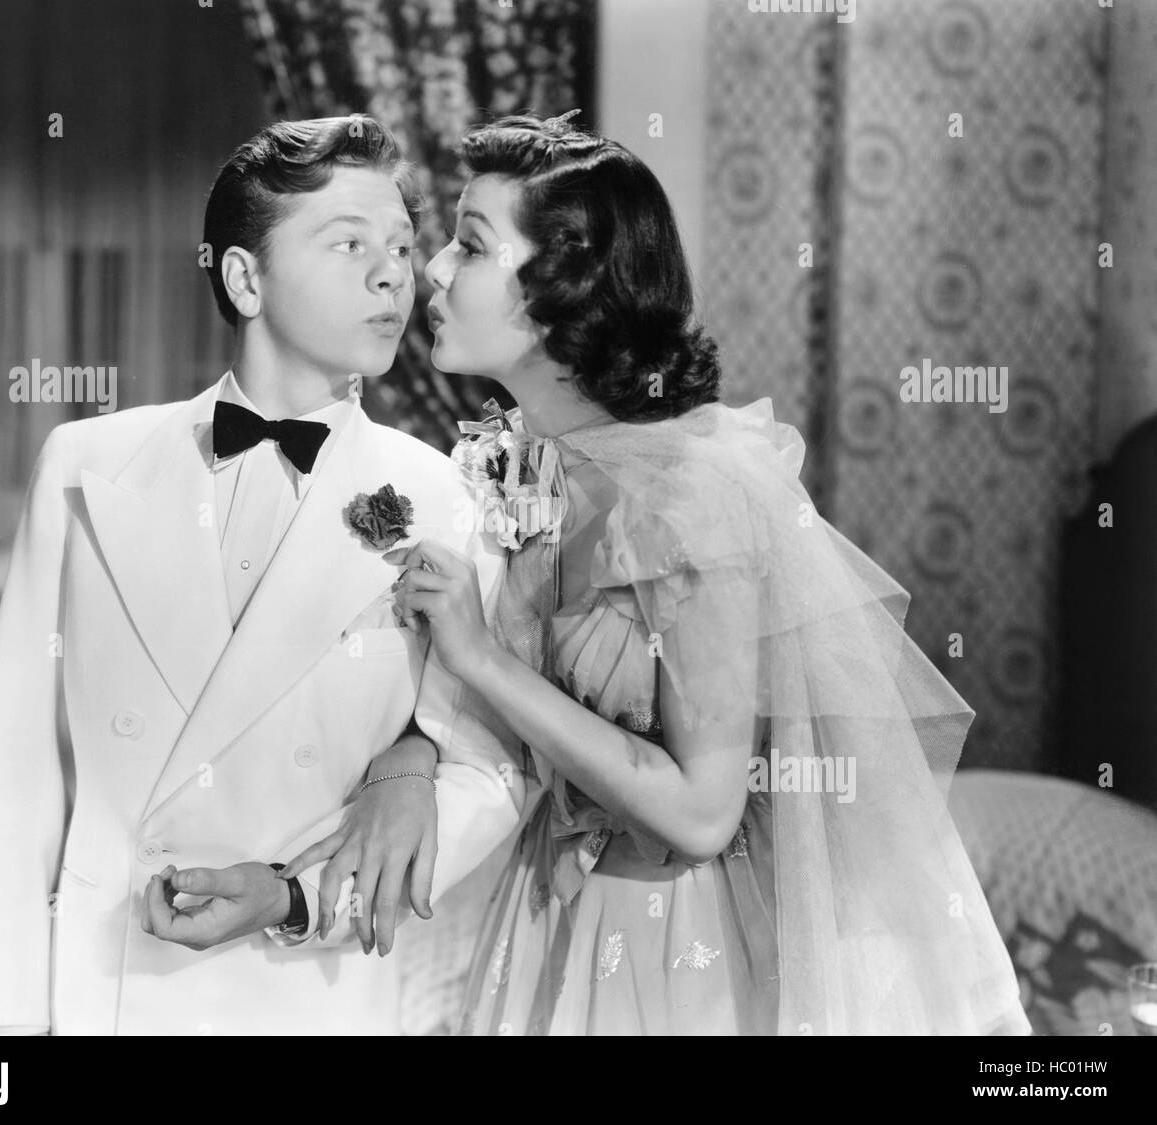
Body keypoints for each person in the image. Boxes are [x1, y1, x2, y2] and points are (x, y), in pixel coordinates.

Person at [297, 112, 1031, 1035]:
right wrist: (410, 757)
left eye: (469, 246)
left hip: (682, 951)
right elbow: (483, 724)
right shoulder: (521, 466)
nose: (432, 272)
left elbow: (700, 809)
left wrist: (485, 659)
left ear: (564, 289)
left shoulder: (692, 496)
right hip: (550, 919)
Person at [0, 116, 525, 1036]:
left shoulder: (446, 497)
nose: (393, 274)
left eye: (405, 248)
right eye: (350, 243)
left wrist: (297, 897)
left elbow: (489, 768)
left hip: (311, 993)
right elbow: (18, 775)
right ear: (245, 278)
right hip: (103, 983)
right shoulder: (83, 464)